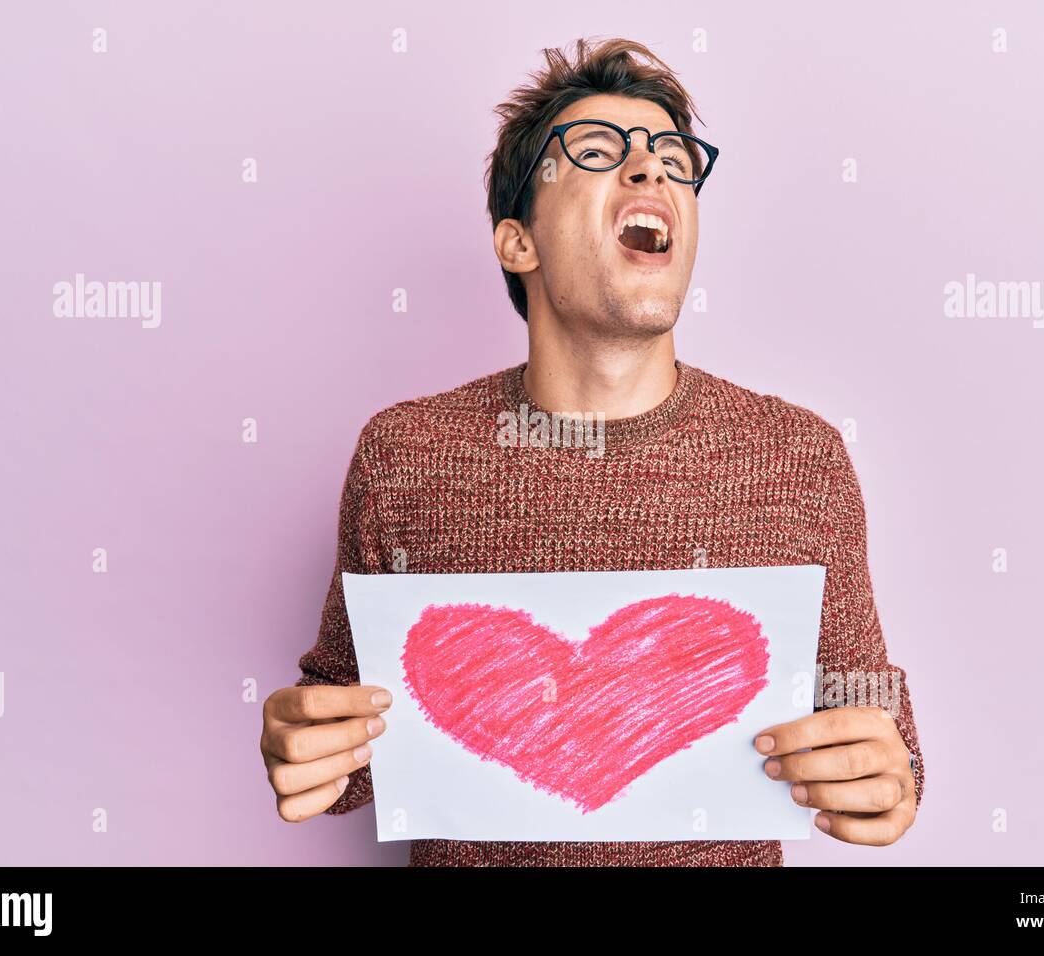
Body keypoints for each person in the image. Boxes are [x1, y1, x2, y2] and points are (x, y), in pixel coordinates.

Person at [260, 37, 925, 866]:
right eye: (599, 152)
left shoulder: (801, 459)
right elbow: (350, 728)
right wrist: (304, 745)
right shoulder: (406, 456)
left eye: (673, 159)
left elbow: (872, 720)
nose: (653, 173)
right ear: (518, 243)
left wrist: (887, 777)